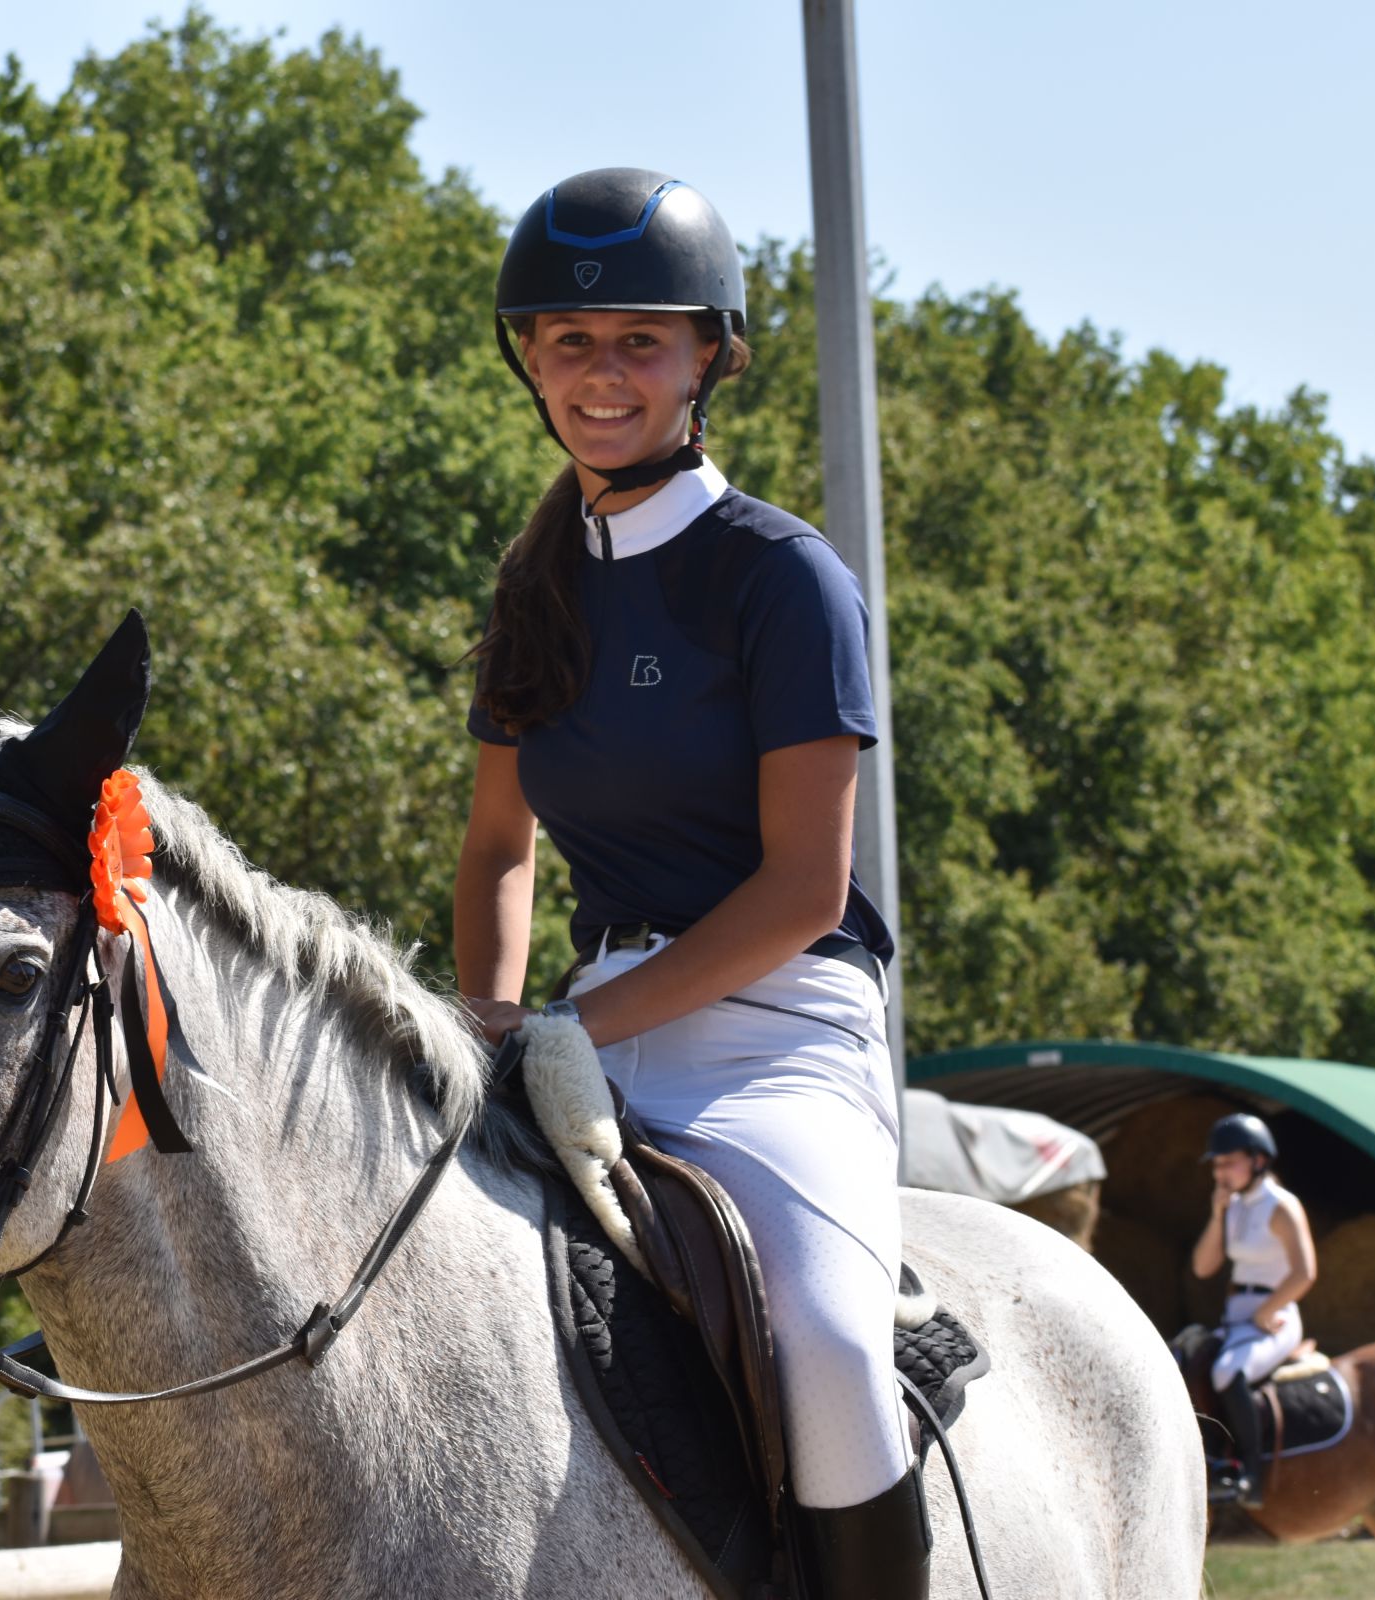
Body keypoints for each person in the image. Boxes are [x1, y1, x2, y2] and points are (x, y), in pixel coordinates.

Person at [454, 167, 920, 1598]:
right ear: (531, 360)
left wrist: (568, 1029)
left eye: (641, 342)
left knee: (828, 1344)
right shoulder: (534, 587)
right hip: (577, 1041)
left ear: (709, 355)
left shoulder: (782, 577)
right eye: (572, 342)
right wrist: (491, 1021)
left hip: (779, 1034)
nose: (604, 373)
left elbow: (803, 888)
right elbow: (498, 849)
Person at [1190, 1111, 1317, 1507]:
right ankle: (1212, 1460)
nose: (1220, 1172)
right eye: (1216, 1165)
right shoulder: (1234, 1206)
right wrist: (1218, 1215)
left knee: (1229, 1371)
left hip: (1274, 1319)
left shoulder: (1281, 1206)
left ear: (1258, 1160)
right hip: (1238, 1318)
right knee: (1188, 1357)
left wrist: (1267, 1310)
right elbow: (1203, 1267)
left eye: (1229, 1162)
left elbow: (1305, 1272)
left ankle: (1251, 1475)